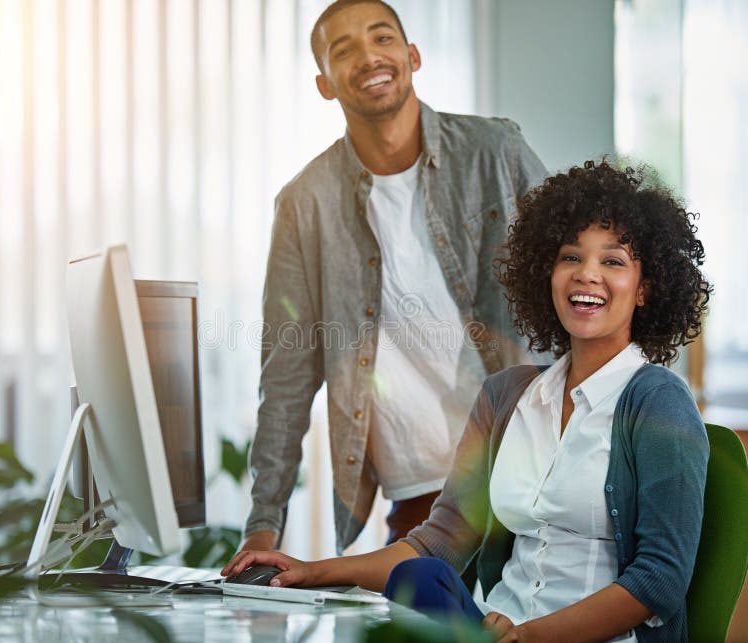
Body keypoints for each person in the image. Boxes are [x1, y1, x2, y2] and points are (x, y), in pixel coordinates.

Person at [224, 160, 712, 642]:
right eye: (570, 257)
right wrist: (311, 572)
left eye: (613, 261)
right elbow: (443, 540)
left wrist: (529, 637)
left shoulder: (658, 402)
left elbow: (659, 581)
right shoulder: (505, 396)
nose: (586, 275)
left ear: (646, 288)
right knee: (419, 583)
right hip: (492, 631)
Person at [243, 0, 547, 555]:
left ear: (412, 55)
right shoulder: (304, 205)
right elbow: (286, 377)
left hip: (527, 475)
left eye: (381, 38)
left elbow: (581, 275)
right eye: (344, 50)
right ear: (325, 85)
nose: (368, 57)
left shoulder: (495, 152)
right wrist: (262, 528)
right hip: (419, 503)